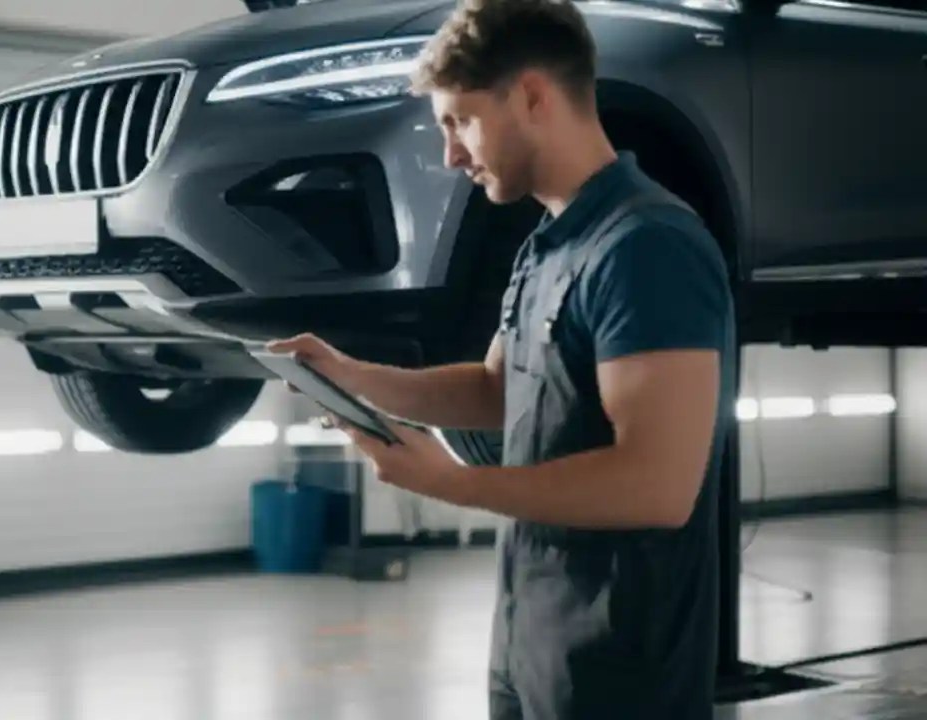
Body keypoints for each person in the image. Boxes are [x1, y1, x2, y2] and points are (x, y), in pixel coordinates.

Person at [267, 0, 737, 718]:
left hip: (620, 672)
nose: (451, 155)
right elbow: (498, 388)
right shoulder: (547, 245)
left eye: (460, 120)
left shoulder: (649, 248)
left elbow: (657, 486)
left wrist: (452, 484)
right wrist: (353, 377)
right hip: (529, 646)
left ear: (531, 96)